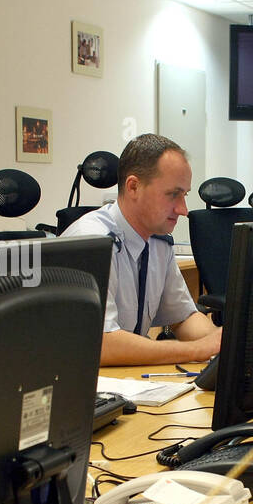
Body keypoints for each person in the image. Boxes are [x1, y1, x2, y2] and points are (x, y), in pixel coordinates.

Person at [62, 134, 221, 366]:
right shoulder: (92, 241)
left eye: (184, 195)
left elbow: (183, 318)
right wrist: (195, 350)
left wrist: (224, 344)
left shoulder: (158, 242)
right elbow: (101, 344)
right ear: (133, 187)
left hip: (126, 380)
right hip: (83, 383)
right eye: (172, 194)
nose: (184, 209)